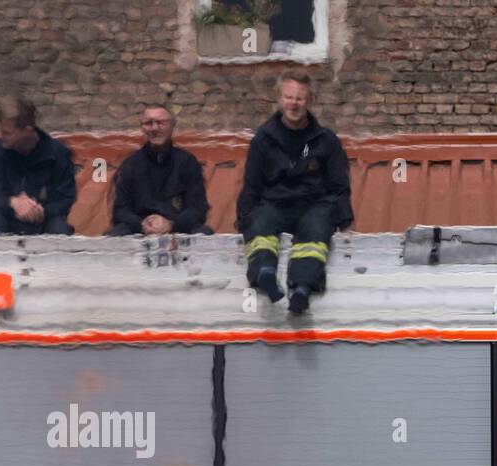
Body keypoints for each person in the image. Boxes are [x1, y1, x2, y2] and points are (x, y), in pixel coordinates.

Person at [236, 72, 354, 315]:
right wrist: (244, 217)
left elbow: (339, 185)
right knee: (259, 224)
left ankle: (302, 288)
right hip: (274, 204)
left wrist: (345, 221)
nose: (294, 104)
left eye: (300, 98)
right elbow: (252, 184)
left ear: (310, 100)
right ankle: (265, 274)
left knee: (316, 230)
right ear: (279, 99)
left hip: (313, 204)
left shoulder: (326, 141)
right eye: (289, 97)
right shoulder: (263, 139)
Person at [0, 96, 77, 236]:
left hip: (44, 221)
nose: (1, 136)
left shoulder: (58, 154)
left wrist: (39, 211)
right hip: (5, 217)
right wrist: (13, 203)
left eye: (7, 133)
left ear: (27, 131)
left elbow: (65, 198)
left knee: (59, 229)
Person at [107, 105, 211, 237]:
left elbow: (197, 208)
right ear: (142, 127)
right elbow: (120, 210)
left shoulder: (187, 162)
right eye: (148, 123)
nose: (154, 128)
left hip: (178, 226)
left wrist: (171, 224)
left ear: (172, 126)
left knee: (204, 234)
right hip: (139, 227)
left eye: (161, 123)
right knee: (113, 236)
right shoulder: (130, 164)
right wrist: (142, 224)